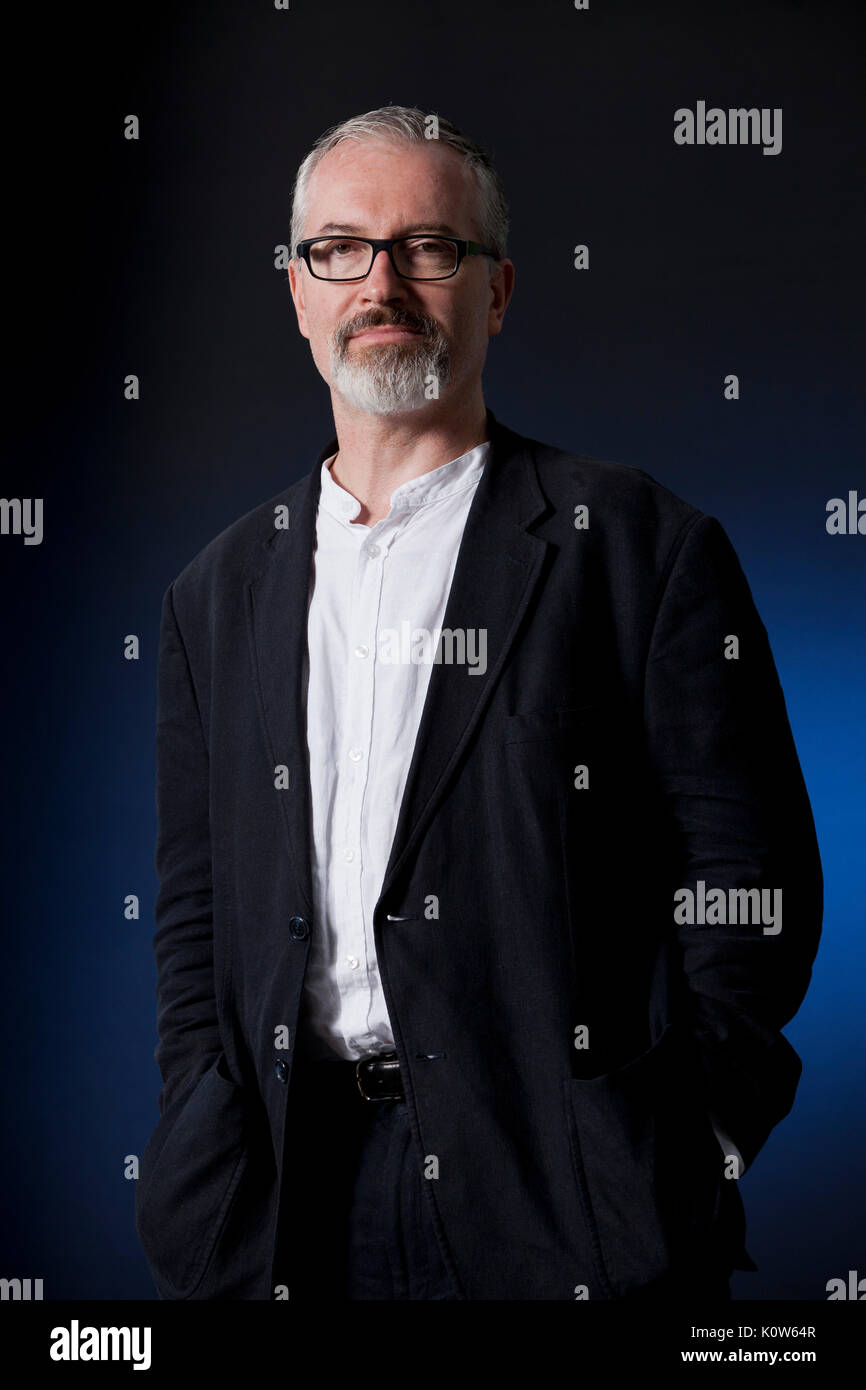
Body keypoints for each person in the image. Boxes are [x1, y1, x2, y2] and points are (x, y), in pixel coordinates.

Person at [135, 104, 823, 1301]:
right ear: (298, 290)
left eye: (428, 247)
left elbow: (749, 881)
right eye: (341, 248)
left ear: (494, 292)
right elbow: (194, 917)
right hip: (287, 1201)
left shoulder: (637, 547)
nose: (382, 281)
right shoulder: (216, 594)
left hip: (565, 1201)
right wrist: (200, 1133)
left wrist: (691, 1141)